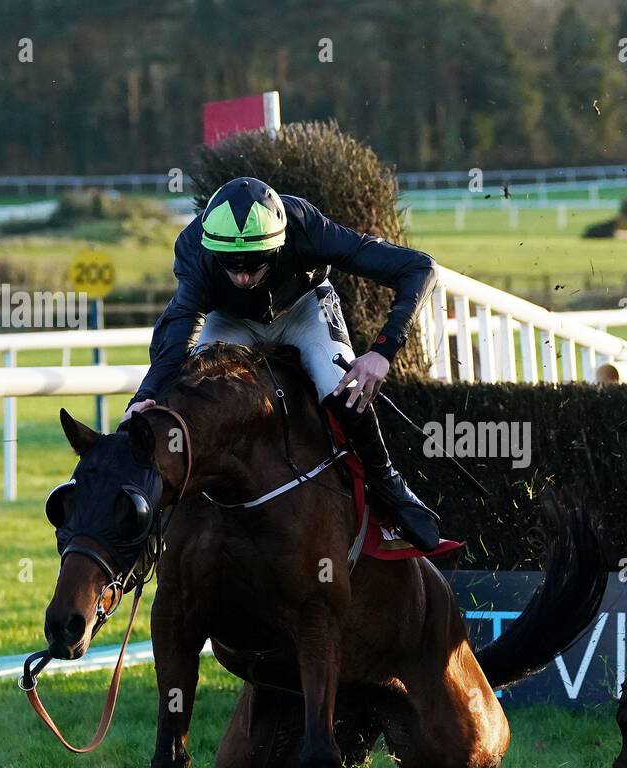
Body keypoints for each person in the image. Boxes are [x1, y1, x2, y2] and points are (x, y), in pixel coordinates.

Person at [123, 177, 442, 551]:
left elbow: (421, 268)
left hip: (303, 307)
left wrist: (382, 352)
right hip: (228, 319)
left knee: (344, 388)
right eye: (230, 264)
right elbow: (178, 336)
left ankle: (388, 483)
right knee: (185, 393)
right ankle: (153, 510)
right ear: (211, 248)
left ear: (278, 244)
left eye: (255, 263)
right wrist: (145, 396)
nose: (242, 276)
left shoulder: (306, 226)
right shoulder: (193, 249)